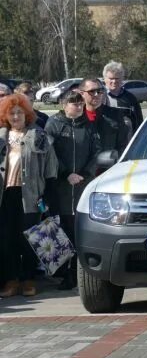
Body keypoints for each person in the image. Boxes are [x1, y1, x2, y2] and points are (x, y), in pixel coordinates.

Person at [0, 93, 59, 298]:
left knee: (30, 239)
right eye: (11, 113)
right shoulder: (1, 137)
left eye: (19, 113)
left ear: (27, 115)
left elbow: (51, 170)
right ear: (6, 116)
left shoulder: (39, 136)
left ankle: (28, 280)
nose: (16, 117)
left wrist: (47, 196)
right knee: (7, 240)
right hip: (5, 196)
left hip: (31, 196)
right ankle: (12, 280)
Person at [44, 89, 99, 289]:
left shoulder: (89, 127)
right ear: (64, 104)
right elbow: (51, 154)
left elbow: (96, 152)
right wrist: (66, 173)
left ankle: (78, 272)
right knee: (63, 229)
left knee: (77, 228)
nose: (78, 106)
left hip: (82, 183)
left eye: (80, 103)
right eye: (74, 103)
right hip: (62, 185)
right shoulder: (54, 124)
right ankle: (63, 271)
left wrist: (84, 173)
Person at [79, 78, 133, 154]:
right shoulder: (76, 117)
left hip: (109, 163)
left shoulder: (115, 115)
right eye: (92, 91)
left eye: (99, 91)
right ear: (82, 94)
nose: (96, 94)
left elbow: (123, 145)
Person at [102, 61, 143, 133]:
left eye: (117, 78)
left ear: (122, 79)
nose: (114, 81)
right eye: (111, 78)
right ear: (104, 79)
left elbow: (139, 122)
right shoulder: (99, 96)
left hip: (127, 141)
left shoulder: (130, 98)